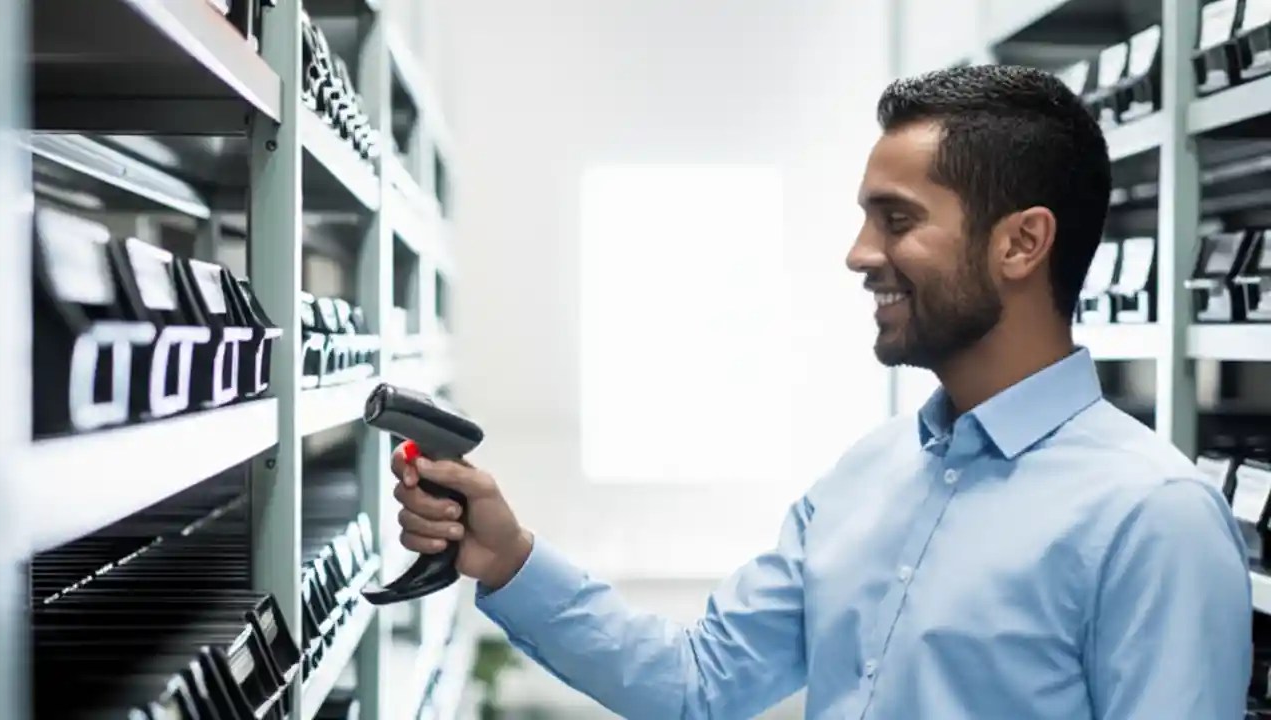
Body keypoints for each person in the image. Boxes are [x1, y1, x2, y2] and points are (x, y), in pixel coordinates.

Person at [389, 65, 1252, 719]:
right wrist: (506, 558)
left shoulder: (1154, 520)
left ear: (1021, 244)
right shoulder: (866, 478)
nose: (859, 253)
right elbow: (700, 682)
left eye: (898, 219)